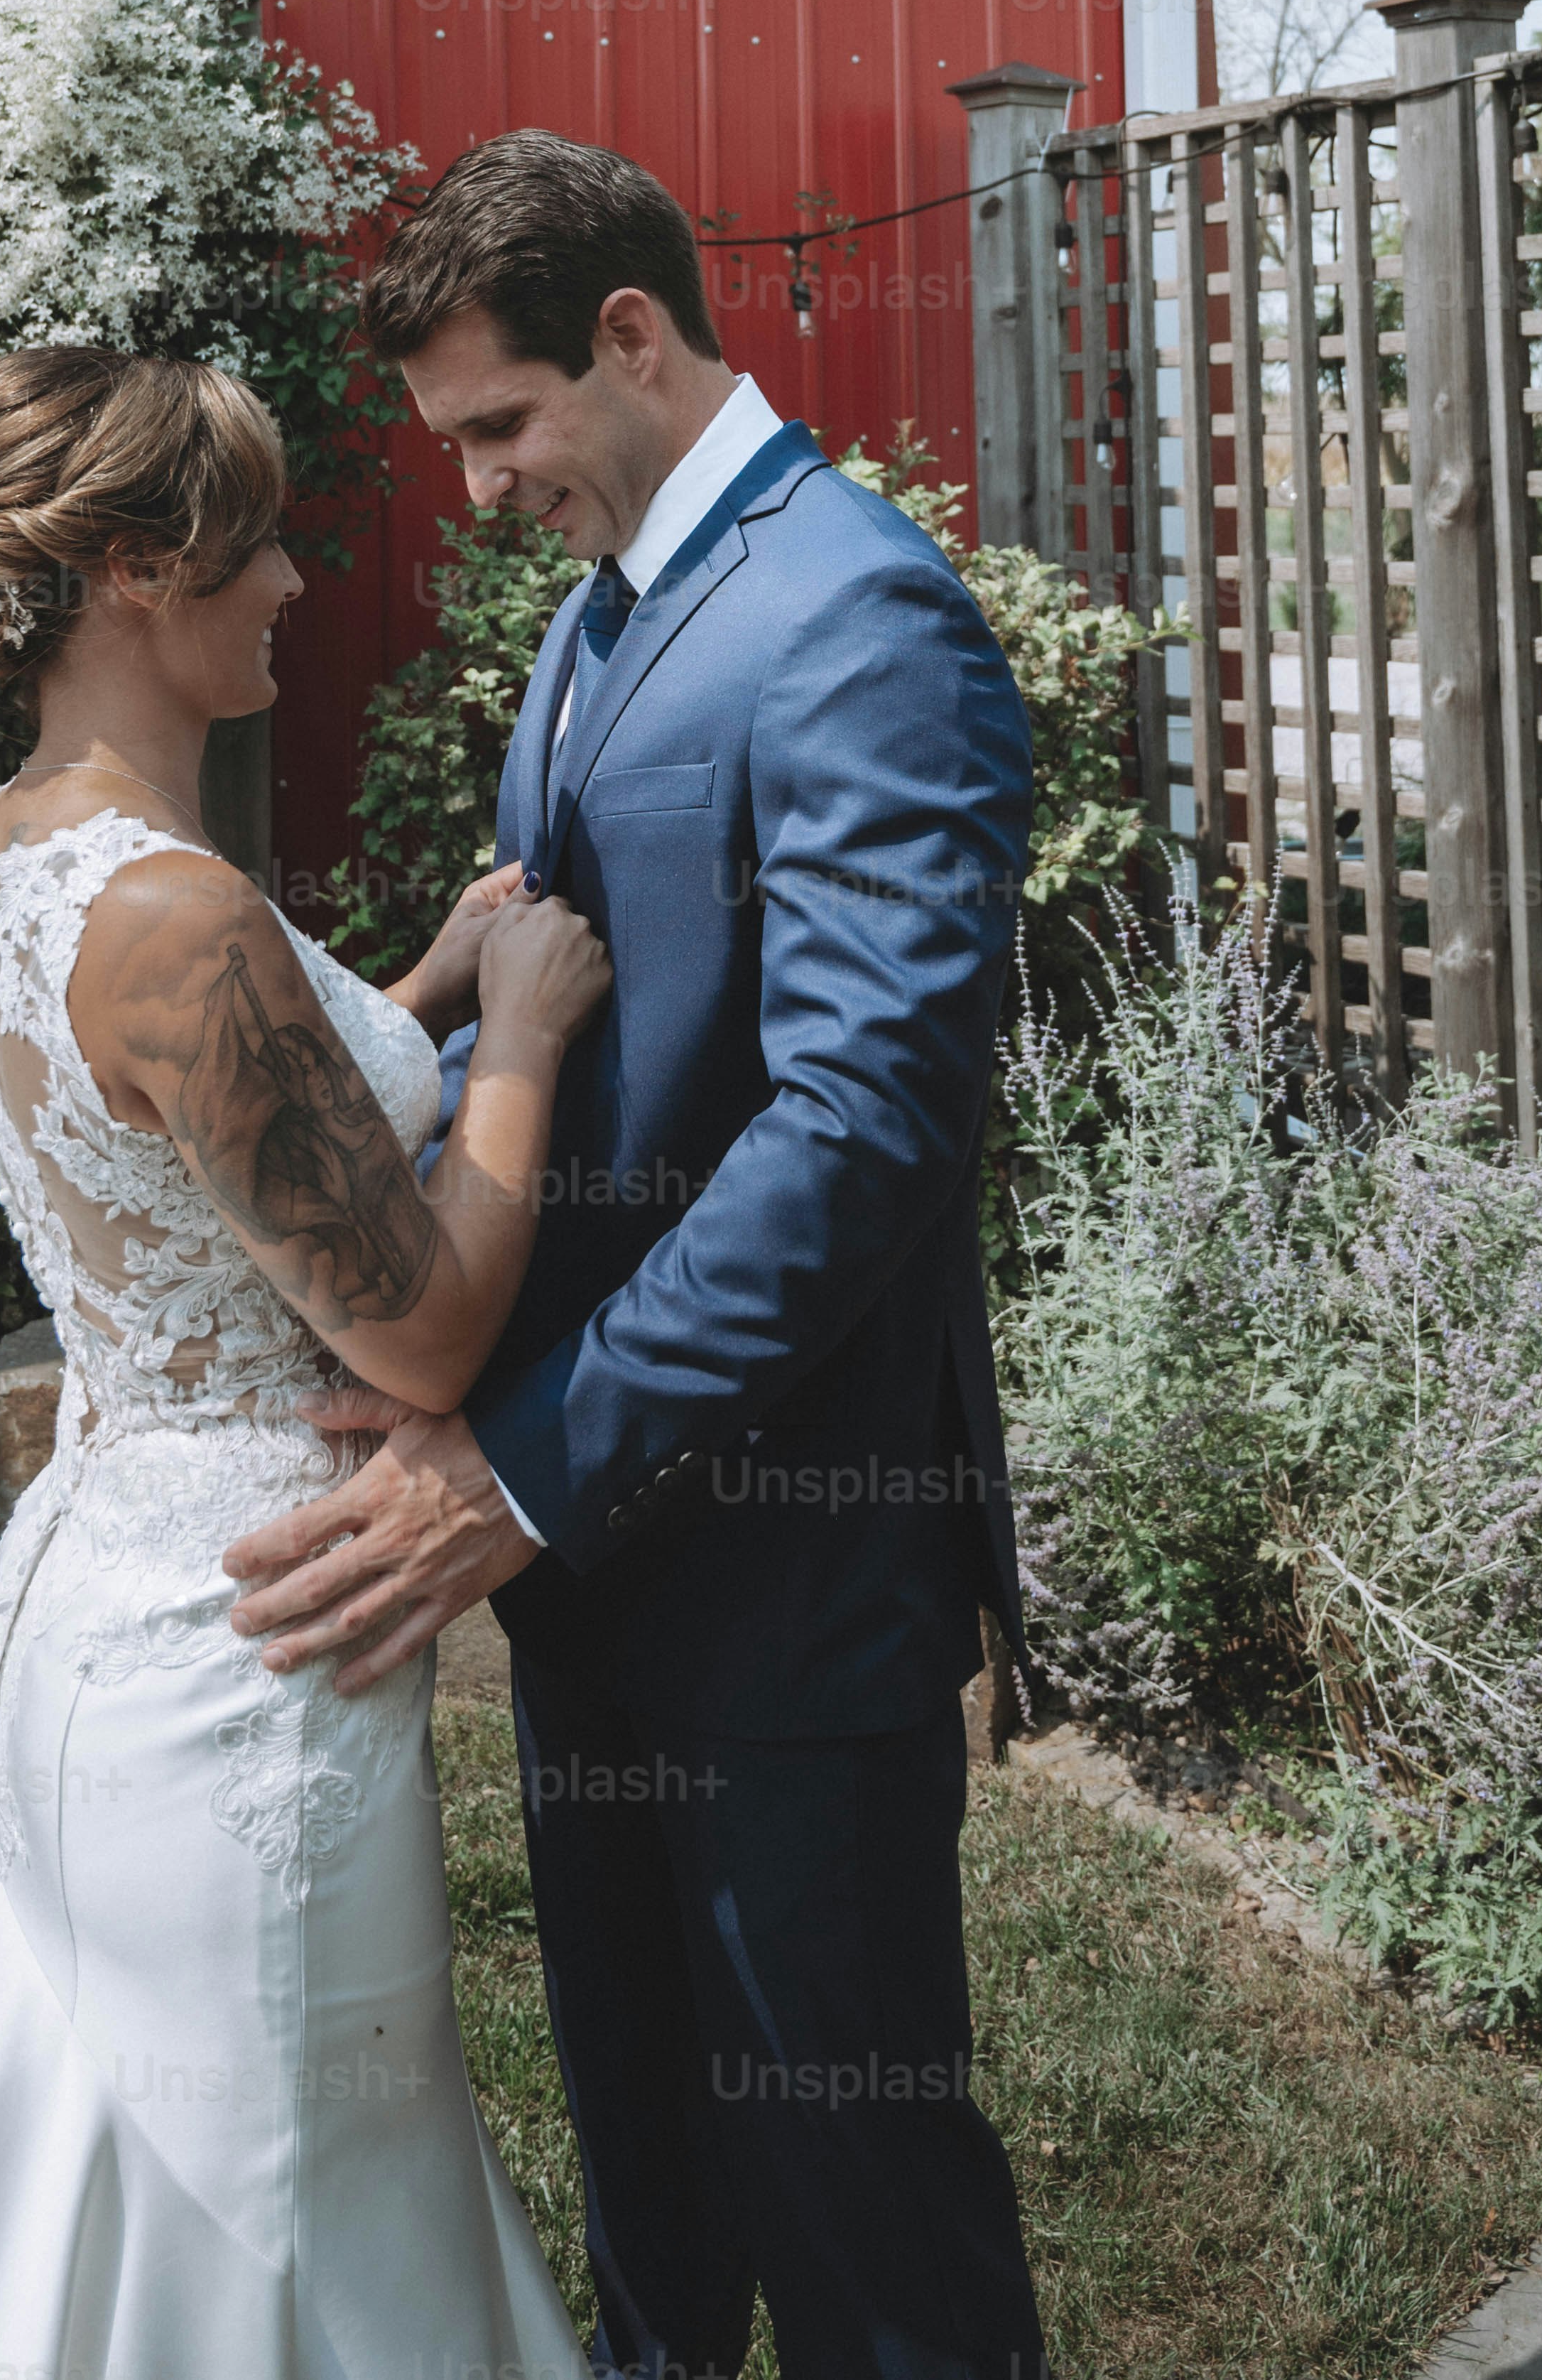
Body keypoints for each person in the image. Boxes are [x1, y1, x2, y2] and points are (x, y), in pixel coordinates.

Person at [0, 344, 606, 2380]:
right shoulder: (176, 922)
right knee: (286, 2226)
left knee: (106, 2162)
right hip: (245, 1656)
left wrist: (410, 983)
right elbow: (425, 1316)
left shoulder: (3, 856)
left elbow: (183, 1146)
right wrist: (515, 1033)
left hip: (96, 1588)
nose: (289, 585)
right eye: (255, 545)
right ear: (132, 576)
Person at [222, 134, 1052, 2380]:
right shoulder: (601, 618)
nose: (478, 489)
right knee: (654, 2197)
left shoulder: (859, 613)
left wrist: (518, 1464)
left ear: (631, 334)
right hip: (590, 1558)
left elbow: (864, 1130)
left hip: (787, 1579)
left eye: (499, 427)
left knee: (866, 2223)